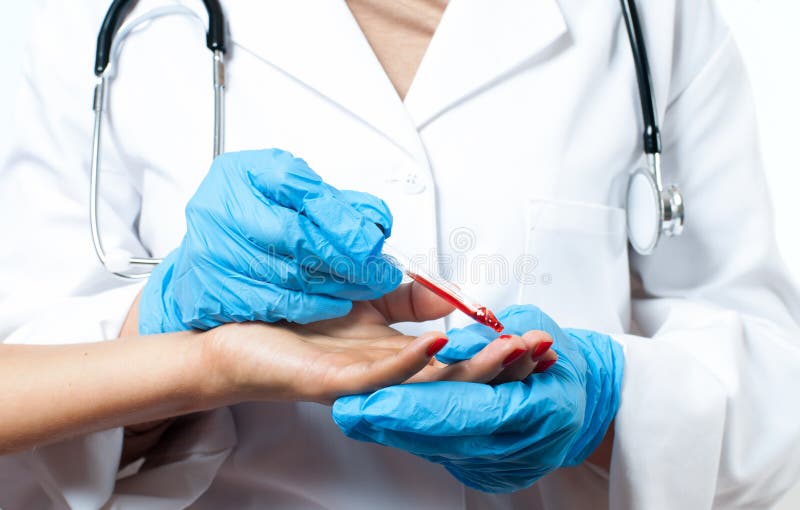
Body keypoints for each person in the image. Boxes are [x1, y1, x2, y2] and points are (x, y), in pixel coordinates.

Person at [1, 1, 799, 509]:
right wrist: (165, 329)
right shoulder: (90, 21)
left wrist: (608, 404)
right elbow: (24, 430)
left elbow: (776, 400)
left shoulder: (652, 21)